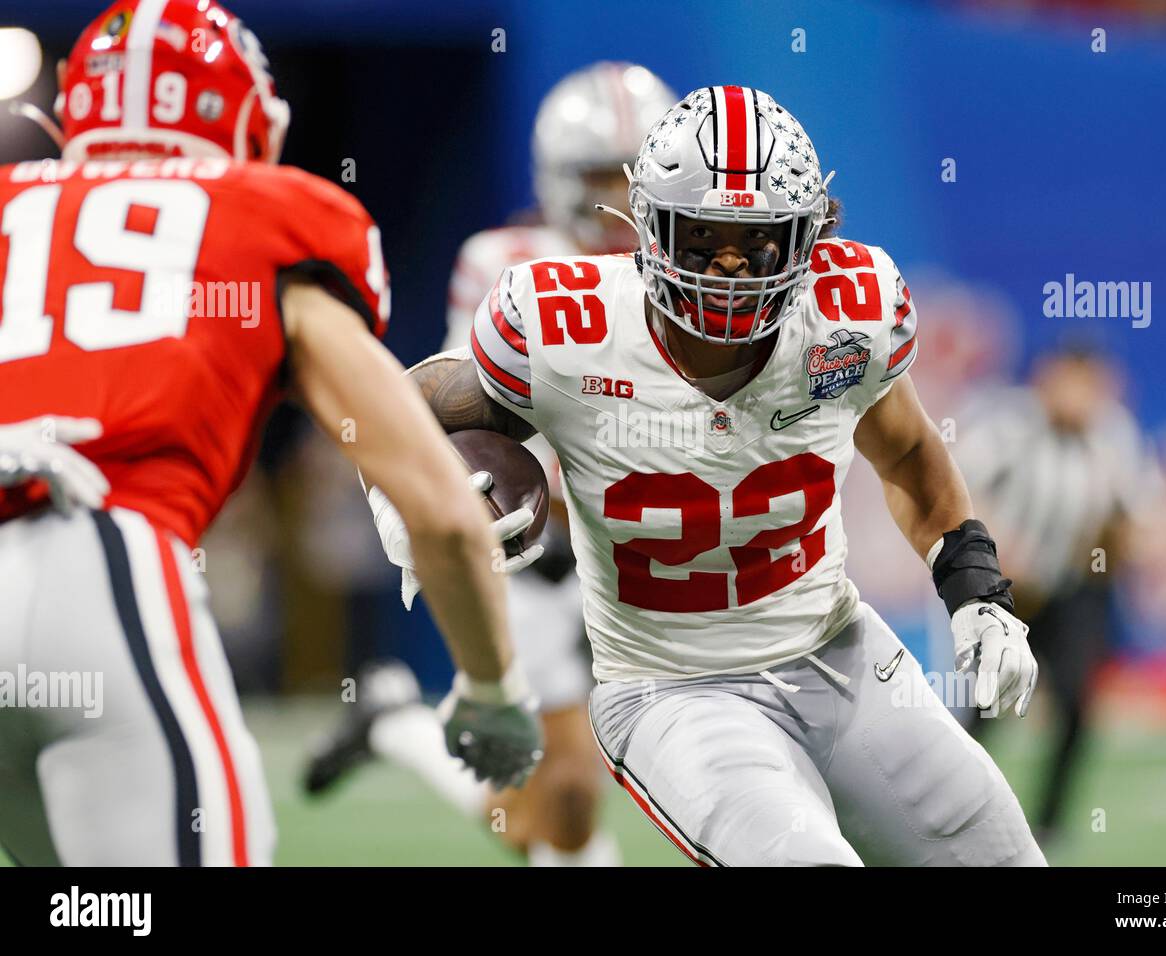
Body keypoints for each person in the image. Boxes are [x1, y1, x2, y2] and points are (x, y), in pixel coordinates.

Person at [368, 86, 1045, 866]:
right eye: (702, 239)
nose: (727, 268)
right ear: (648, 229)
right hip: (673, 689)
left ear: (808, 237)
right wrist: (404, 499)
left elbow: (911, 454)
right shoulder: (570, 325)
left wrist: (976, 591)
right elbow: (394, 407)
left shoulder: (846, 316)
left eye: (754, 243)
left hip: (837, 650)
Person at [0, 0, 539, 867]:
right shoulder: (263, 217)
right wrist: (492, 690)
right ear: (244, 117)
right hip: (93, 559)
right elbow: (438, 507)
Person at [306, 61, 675, 868]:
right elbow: (478, 425)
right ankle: (402, 726)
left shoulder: (692, 269)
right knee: (567, 800)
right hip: (544, 549)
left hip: (654, 547)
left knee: (549, 806)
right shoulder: (508, 262)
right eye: (600, 175)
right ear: (557, 178)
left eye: (634, 174)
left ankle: (397, 725)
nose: (618, 196)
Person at [949, 344, 1166, 841]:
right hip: (1005, 587)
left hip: (1069, 589)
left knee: (1076, 702)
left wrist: (1125, 541)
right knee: (989, 705)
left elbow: (1144, 516)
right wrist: (1000, 548)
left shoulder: (1114, 436)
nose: (1081, 399)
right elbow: (959, 491)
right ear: (1049, 380)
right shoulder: (1009, 426)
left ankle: (1048, 822)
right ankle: (954, 809)